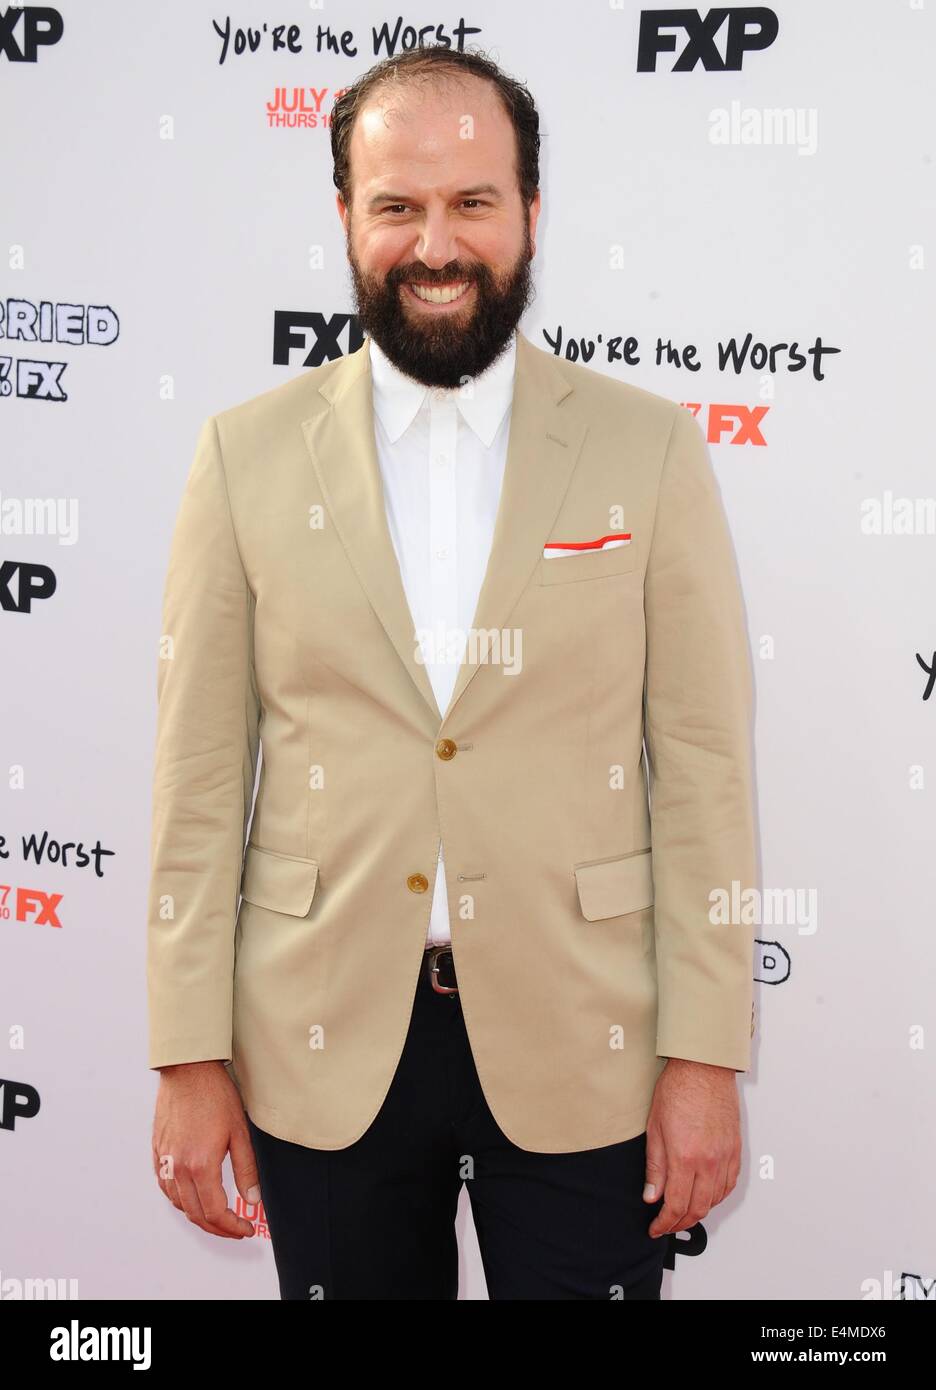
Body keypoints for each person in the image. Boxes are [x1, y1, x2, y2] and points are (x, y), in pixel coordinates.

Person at [148, 44, 758, 1301]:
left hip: (589, 1044)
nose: (437, 243)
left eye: (473, 201)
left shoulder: (647, 452)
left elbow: (701, 771)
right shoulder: (243, 458)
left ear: (533, 212)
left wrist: (704, 1057)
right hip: (321, 1049)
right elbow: (201, 779)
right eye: (398, 205)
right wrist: (187, 1055)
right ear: (346, 219)